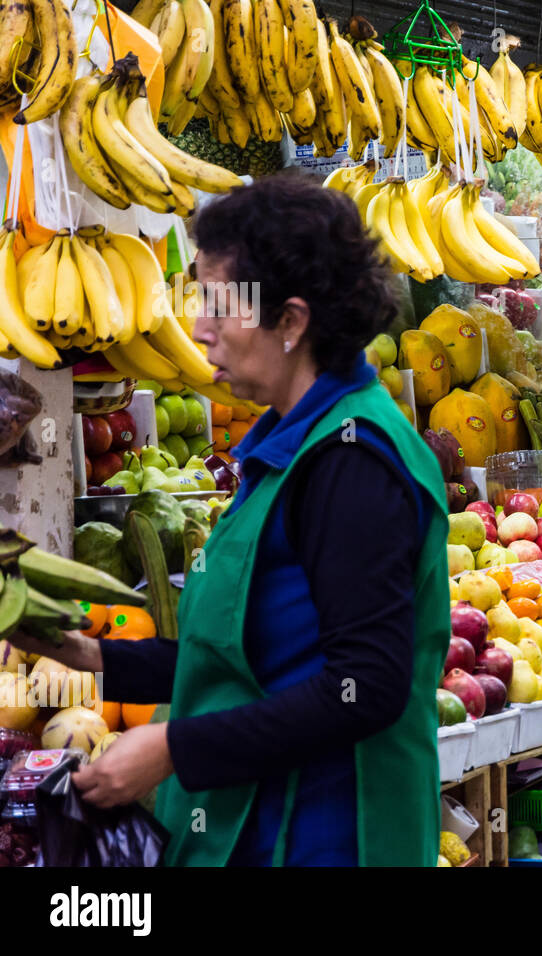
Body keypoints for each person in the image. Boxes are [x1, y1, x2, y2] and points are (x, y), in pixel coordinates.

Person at [7, 174, 452, 866]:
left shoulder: (351, 461)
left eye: (218, 306)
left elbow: (366, 685)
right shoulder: (292, 446)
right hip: (257, 827)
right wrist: (92, 657)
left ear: (291, 321)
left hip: (325, 838)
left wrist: (173, 748)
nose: (198, 330)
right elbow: (251, 660)